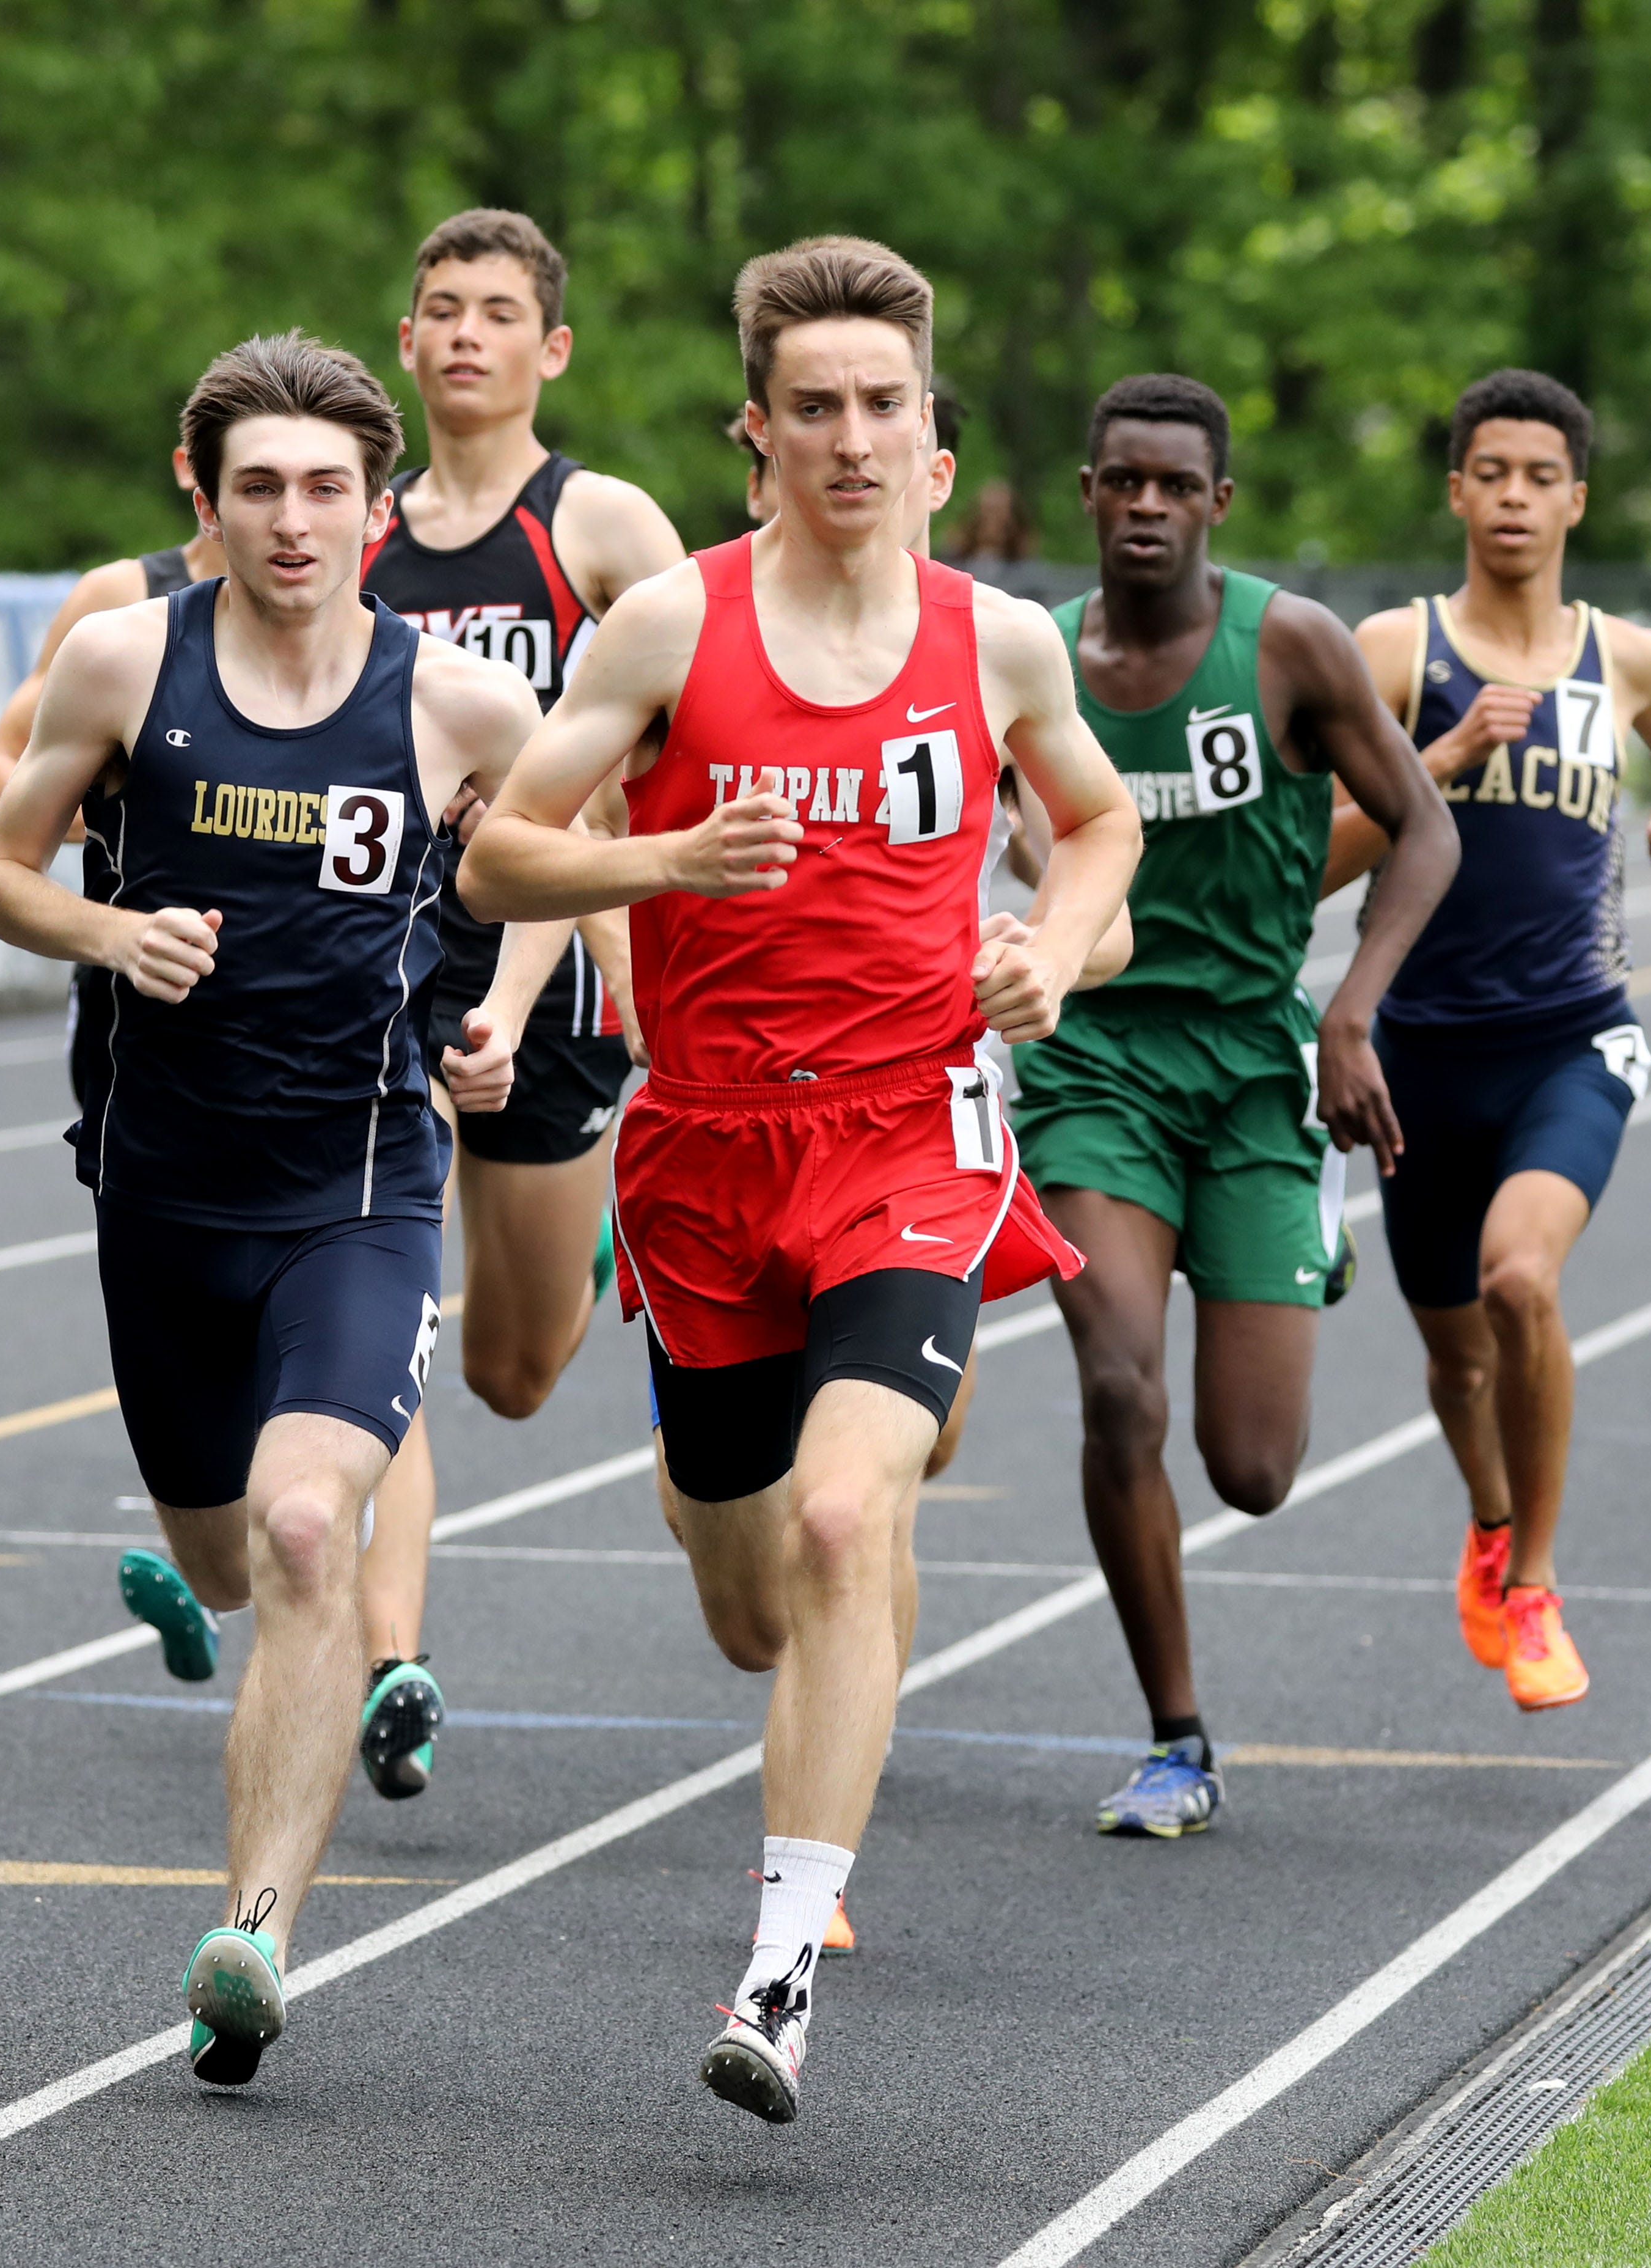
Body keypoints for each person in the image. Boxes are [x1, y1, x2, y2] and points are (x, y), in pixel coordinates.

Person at [459, 237, 1140, 2125]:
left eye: (885, 407)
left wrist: (1052, 948)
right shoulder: (672, 626)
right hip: (704, 1148)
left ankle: (779, 1963)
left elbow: (1098, 828)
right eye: (814, 409)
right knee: (750, 1583)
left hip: (911, 1126)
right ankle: (742, 1536)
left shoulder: (995, 639)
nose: (850, 438)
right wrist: (659, 871)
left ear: (933, 444)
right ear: (753, 436)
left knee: (853, 1520)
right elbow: (499, 859)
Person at [0, 332, 538, 2088]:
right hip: (161, 1183)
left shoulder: (456, 699)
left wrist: (505, 1013)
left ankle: (256, 1935)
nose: (294, 521)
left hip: (360, 1181)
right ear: (198, 499)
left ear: (379, 507)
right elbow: (3, 864)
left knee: (310, 1532)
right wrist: (106, 932)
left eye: (326, 488)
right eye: (259, 488)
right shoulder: (125, 661)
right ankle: (200, 1593)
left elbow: (551, 870)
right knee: (226, 1550)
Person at [1006, 374, 1458, 1839]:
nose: (1145, 507)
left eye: (1173, 487)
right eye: (1120, 482)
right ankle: (1176, 1736)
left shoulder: (1290, 648)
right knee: (1118, 1381)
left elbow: (1425, 826)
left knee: (1254, 1471)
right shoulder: (1034, 659)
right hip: (1094, 1064)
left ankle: (1298, 1231)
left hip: (1258, 1065)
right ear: (1087, 495)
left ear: (1217, 503)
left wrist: (1352, 1007)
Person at [354, 207, 687, 1799]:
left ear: (551, 347)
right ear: (406, 344)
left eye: (499, 310)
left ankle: (612, 1237)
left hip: (548, 969)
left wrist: (633, 900)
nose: (466, 333)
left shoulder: (601, 524)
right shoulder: (348, 527)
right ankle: (386, 1656)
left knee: (512, 1368)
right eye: (440, 309)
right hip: (375, 961)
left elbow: (705, 702)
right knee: (376, 1300)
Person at [1340, 368, 1651, 1711]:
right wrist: (1433, 759)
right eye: (1487, 472)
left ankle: (1538, 1578)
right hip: (1420, 1054)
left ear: (1574, 498)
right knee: (1454, 1355)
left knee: (1520, 1282)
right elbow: (1309, 859)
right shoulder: (1394, 651)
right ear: (1454, 491)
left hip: (1573, 1035)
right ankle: (1491, 1523)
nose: (1511, 497)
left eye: (1537, 476)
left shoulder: (1627, 656)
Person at [0, 449, 226, 1120]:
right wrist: (148, 816)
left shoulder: (360, 607)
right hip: (141, 990)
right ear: (191, 470)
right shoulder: (121, 599)